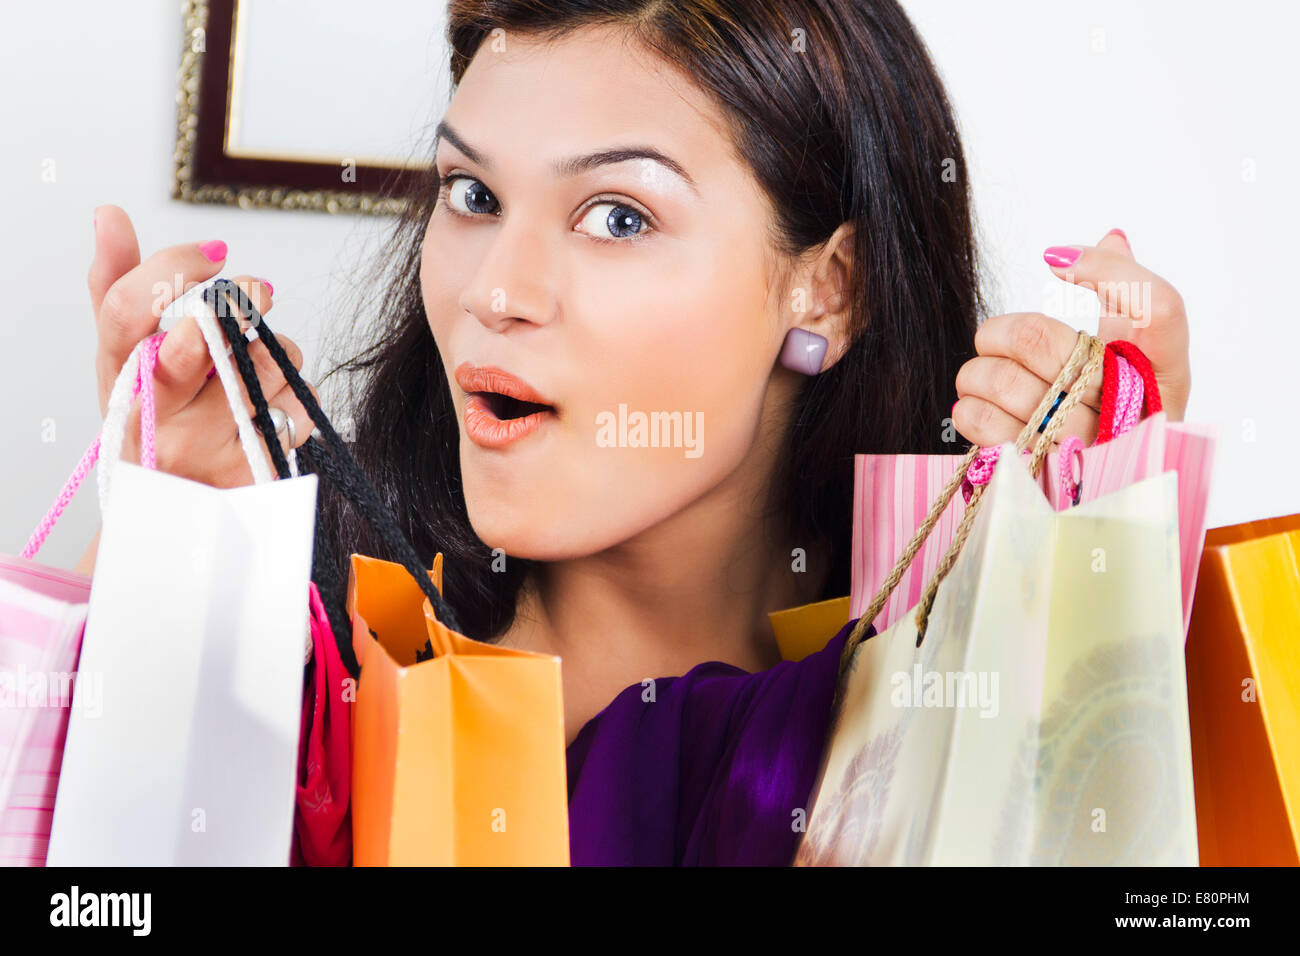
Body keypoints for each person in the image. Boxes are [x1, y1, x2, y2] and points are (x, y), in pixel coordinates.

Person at [79, 0, 1192, 865]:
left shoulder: (947, 717)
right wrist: (177, 582)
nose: (497, 292)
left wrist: (1105, 557)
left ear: (830, 286)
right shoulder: (324, 682)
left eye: (617, 216)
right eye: (471, 194)